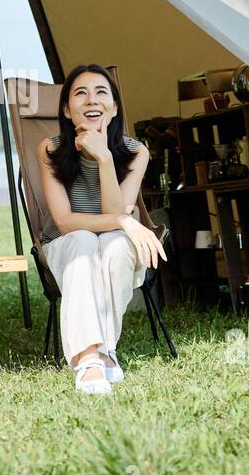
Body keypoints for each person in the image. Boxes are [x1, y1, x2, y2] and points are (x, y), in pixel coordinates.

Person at [38, 65, 166, 394]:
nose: (92, 100)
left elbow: (113, 213)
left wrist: (104, 157)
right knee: (83, 239)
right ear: (67, 110)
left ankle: (97, 354)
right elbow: (65, 222)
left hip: (114, 246)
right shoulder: (50, 149)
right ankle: (94, 357)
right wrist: (125, 220)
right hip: (67, 247)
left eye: (101, 92)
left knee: (116, 243)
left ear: (114, 106)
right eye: (80, 93)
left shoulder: (137, 152)